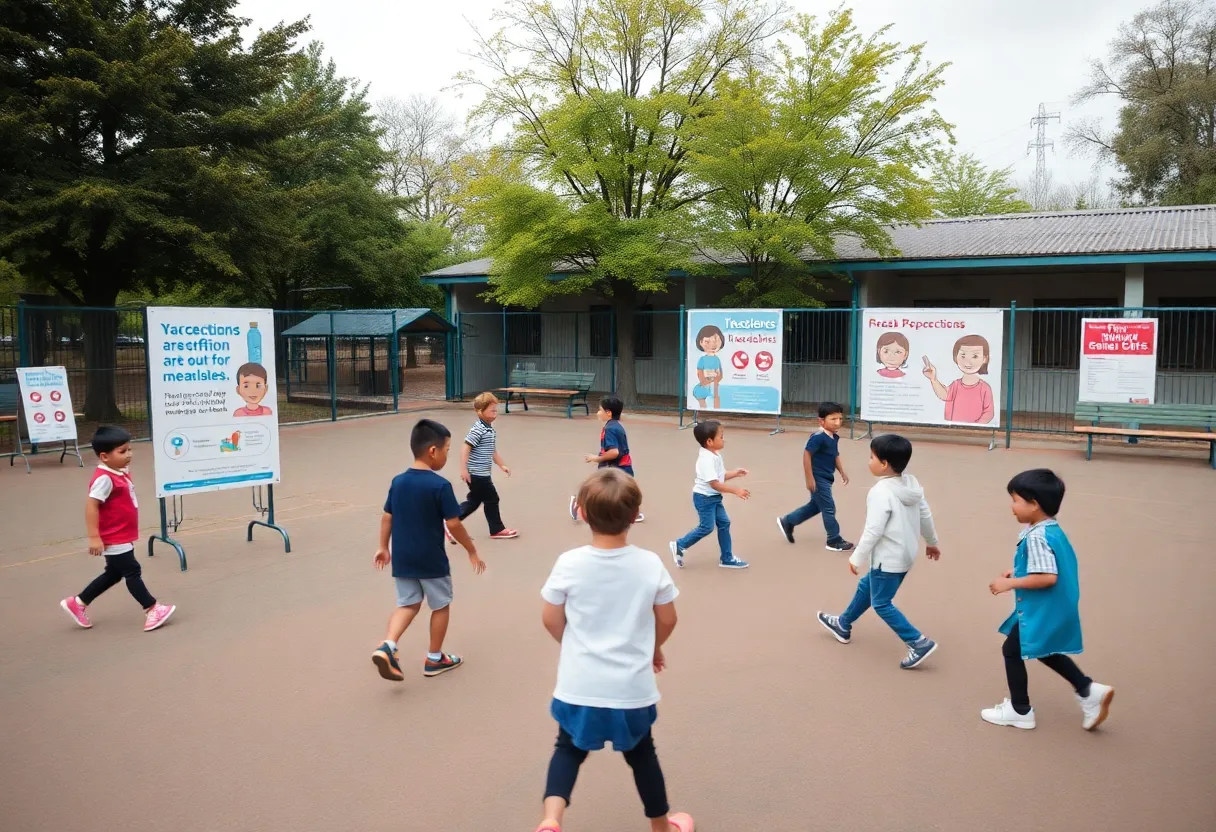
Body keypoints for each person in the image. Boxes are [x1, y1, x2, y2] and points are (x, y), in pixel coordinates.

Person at [537, 468, 694, 832]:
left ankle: (550, 819)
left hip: (578, 686)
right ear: (633, 515)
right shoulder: (649, 564)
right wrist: (653, 649)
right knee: (642, 756)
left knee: (567, 749)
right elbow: (668, 619)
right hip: (631, 691)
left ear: (583, 513)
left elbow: (549, 617)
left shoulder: (569, 562)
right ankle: (661, 827)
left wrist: (572, 644)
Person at [981, 469, 1114, 731]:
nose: (1012, 506)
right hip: (1054, 606)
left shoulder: (1037, 537)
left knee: (1012, 650)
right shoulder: (1049, 529)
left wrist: (1009, 582)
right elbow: (1047, 567)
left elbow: (1047, 577)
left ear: (1034, 504)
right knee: (1043, 649)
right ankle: (1088, 690)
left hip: (1042, 608)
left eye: (1016, 500)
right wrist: (1018, 572)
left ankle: (1020, 710)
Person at [371, 419, 486, 682]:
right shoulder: (439, 485)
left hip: (402, 557)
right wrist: (471, 549)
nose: (447, 454)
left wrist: (382, 547)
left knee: (408, 603)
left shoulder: (398, 482)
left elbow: (387, 516)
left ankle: (388, 644)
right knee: (441, 605)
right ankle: (435, 658)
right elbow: (454, 523)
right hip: (431, 558)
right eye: (447, 449)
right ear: (433, 451)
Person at [815, 434, 941, 669]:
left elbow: (873, 530)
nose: (868, 461)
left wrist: (856, 557)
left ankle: (918, 642)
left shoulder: (880, 491)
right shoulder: (912, 485)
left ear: (884, 464)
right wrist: (932, 541)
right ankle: (843, 624)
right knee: (867, 586)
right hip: (906, 555)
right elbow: (925, 515)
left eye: (871, 457)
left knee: (882, 603)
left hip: (887, 559)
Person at [59, 426, 176, 632]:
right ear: (104, 456)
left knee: (113, 574)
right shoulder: (104, 478)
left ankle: (78, 603)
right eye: (122, 451)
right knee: (132, 571)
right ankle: (152, 608)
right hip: (114, 536)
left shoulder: (117, 470)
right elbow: (91, 505)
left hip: (121, 534)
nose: (129, 454)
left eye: (129, 449)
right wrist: (94, 537)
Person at [668, 420, 750, 570]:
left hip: (713, 497)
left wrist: (736, 473)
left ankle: (727, 558)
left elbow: (720, 476)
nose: (723, 439)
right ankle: (679, 544)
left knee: (724, 522)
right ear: (709, 441)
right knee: (707, 527)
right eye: (721, 436)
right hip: (704, 498)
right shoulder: (706, 459)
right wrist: (736, 490)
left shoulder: (715, 455)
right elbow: (715, 484)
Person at [776, 402, 854, 552]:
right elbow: (807, 455)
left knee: (816, 505)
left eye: (840, 418)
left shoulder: (833, 437)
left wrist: (842, 472)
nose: (838, 422)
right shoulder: (818, 437)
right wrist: (809, 478)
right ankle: (833, 539)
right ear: (821, 421)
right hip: (818, 478)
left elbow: (835, 455)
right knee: (829, 507)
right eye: (833, 419)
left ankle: (788, 521)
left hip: (826, 477)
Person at [450, 392, 517, 542]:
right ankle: (497, 529)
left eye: (495, 410)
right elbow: (465, 448)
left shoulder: (489, 429)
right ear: (480, 412)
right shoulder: (478, 429)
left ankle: (451, 523)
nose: (495, 413)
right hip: (476, 474)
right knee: (492, 499)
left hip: (482, 474)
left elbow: (492, 450)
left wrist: (502, 465)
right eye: (492, 410)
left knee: (474, 501)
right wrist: (463, 469)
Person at [568, 395, 644, 523]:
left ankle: (578, 502)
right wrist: (599, 459)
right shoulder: (615, 426)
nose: (598, 413)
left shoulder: (611, 428)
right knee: (612, 490)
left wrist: (597, 458)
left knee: (618, 491)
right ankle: (578, 503)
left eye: (599, 410)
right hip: (617, 467)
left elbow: (614, 452)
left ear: (608, 413)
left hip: (617, 467)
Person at [922, 334, 995, 424]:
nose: (968, 361)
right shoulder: (955, 385)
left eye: (975, 356)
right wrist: (933, 379)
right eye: (963, 356)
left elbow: (989, 412)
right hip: (954, 430)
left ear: (984, 359)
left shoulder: (984, 388)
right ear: (956, 357)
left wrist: (976, 426)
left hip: (975, 433)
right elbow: (945, 395)